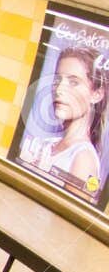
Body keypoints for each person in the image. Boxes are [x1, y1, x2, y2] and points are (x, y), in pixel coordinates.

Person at [19, 46, 106, 196]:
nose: (59, 89)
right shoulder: (47, 144)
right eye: (57, 79)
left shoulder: (83, 158)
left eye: (73, 82)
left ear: (96, 95)